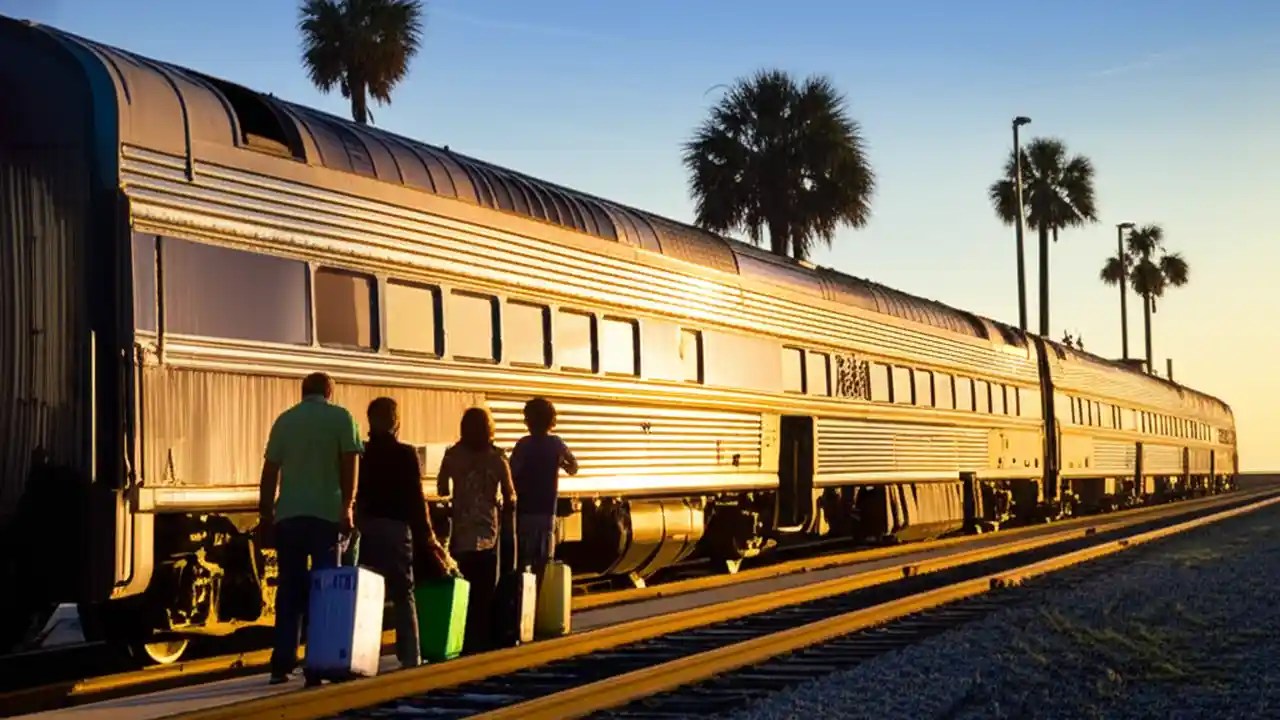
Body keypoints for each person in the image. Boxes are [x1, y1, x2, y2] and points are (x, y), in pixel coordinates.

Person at [257, 372, 362, 685]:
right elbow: (350, 466)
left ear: (303, 392)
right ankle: (318, 662)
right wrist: (347, 507)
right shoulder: (342, 418)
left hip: (289, 516)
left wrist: (266, 515)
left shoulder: (285, 421)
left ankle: (281, 664)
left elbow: (270, 471)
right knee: (323, 590)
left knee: (289, 589)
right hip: (326, 516)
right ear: (329, 391)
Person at [355, 397, 447, 669]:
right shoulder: (406, 454)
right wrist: (428, 537)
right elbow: (416, 500)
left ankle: (363, 656)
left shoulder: (361, 453)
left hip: (367, 528)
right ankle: (410, 656)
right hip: (396, 530)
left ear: (370, 421)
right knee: (404, 593)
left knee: (369, 593)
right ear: (396, 422)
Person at [437, 407, 515, 653]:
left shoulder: (452, 456)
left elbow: (441, 489)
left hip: (461, 532)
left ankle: (463, 634)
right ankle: (483, 636)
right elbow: (511, 495)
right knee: (486, 589)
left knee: (464, 584)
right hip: (488, 532)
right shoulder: (497, 458)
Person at [509, 397, 577, 588]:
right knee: (543, 559)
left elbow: (512, 471)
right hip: (546, 510)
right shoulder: (556, 444)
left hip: (524, 510)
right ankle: (539, 594)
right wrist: (560, 463)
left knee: (523, 559)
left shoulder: (523, 444)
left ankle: (523, 595)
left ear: (528, 421)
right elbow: (574, 467)